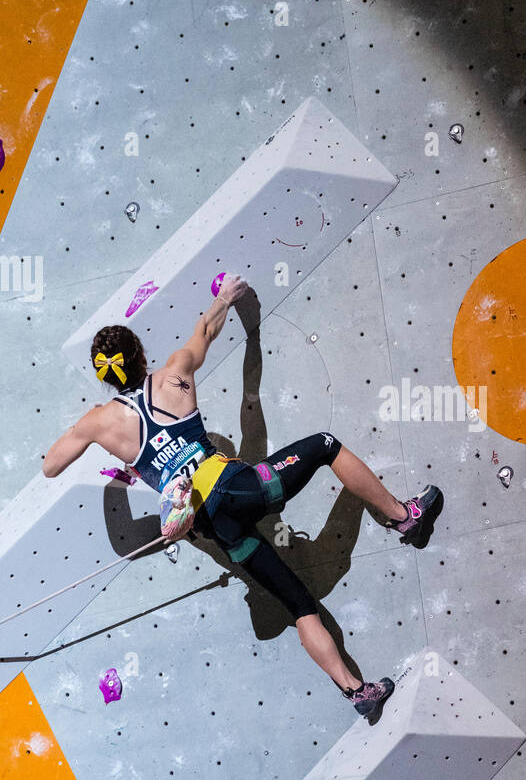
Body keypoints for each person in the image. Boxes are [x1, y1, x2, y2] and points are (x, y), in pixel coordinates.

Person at [42, 274, 443, 723]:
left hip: (217, 530)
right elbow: (207, 330)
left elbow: (50, 466)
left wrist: (117, 471)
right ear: (139, 354)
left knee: (298, 606)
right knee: (325, 445)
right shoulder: (175, 373)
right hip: (240, 488)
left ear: (104, 376)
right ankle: (404, 518)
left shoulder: (98, 423)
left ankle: (358, 692)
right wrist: (225, 297)